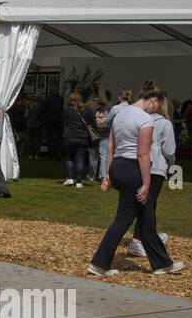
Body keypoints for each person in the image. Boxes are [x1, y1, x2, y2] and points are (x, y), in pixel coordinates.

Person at [87, 85, 182, 277]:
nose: (157, 109)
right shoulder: (145, 119)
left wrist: (108, 174)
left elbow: (111, 147)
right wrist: (146, 183)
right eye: (158, 104)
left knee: (146, 218)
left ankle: (162, 263)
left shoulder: (120, 114)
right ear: (153, 100)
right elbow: (143, 154)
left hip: (118, 166)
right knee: (123, 219)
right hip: (133, 170)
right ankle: (99, 264)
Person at [132, 93, 177, 255]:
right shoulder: (164, 124)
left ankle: (146, 236)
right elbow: (169, 150)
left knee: (144, 203)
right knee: (149, 205)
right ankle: (141, 239)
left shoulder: (138, 120)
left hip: (138, 165)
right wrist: (172, 164)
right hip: (156, 167)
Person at [61, 91, 93, 187]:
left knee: (70, 158)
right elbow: (93, 124)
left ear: (71, 100)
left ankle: (70, 178)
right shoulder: (88, 110)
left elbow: (63, 122)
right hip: (83, 137)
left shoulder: (67, 110)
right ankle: (79, 182)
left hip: (69, 137)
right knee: (80, 159)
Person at [41, 89, 64, 161]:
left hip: (49, 120)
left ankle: (50, 155)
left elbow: (42, 110)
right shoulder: (61, 99)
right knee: (59, 138)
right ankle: (59, 155)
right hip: (59, 120)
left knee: (50, 138)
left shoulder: (47, 99)